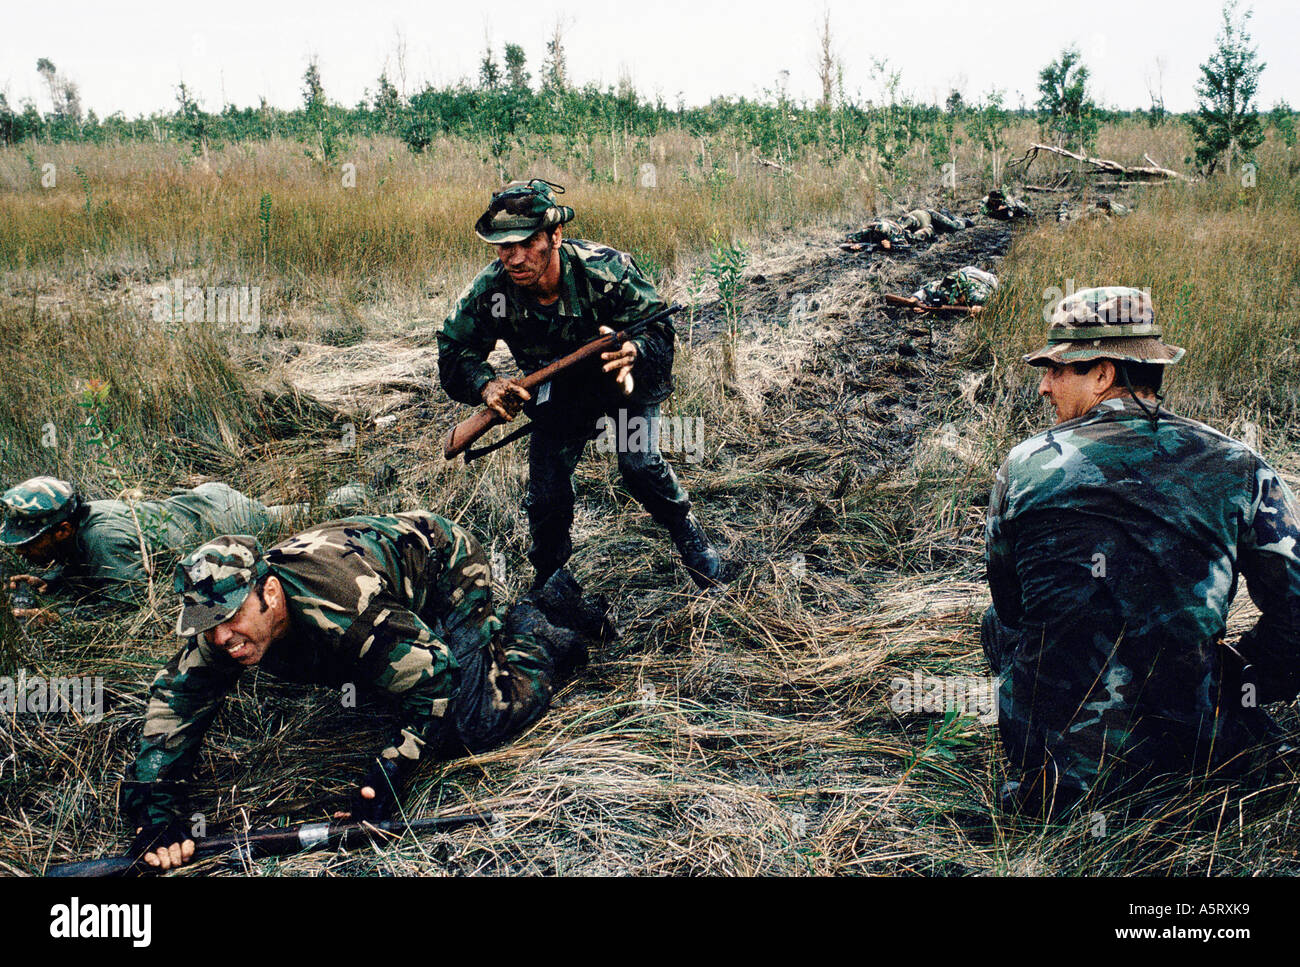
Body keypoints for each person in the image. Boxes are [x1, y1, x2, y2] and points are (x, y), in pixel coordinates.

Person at [120, 513, 610, 870]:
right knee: (387, 674)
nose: (221, 639)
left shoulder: (342, 611)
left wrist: (393, 769)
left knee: (473, 721)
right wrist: (156, 812)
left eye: (229, 620)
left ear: (269, 595)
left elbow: (436, 678)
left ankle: (537, 624)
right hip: (382, 588)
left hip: (444, 566)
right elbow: (177, 702)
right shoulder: (224, 629)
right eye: (208, 627)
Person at [983, 286, 1300, 817]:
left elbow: (1012, 605)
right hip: (1197, 752)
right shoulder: (1241, 466)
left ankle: (1046, 750)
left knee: (997, 622)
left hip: (1056, 769)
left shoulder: (1024, 466)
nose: (1043, 386)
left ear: (1103, 373)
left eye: (1057, 369)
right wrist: (1245, 677)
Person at [437, 179, 725, 589]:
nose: (514, 258)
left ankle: (686, 531)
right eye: (503, 247)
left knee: (639, 465)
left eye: (527, 242)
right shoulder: (491, 291)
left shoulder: (606, 269)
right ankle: (551, 578)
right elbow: (452, 350)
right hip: (558, 394)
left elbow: (660, 329)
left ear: (555, 236)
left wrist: (637, 352)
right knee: (547, 491)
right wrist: (486, 386)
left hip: (622, 379)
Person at [1, 477, 280, 606]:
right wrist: (53, 581)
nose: (20, 550)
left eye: (28, 541)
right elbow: (84, 562)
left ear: (62, 530)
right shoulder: (80, 521)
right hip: (200, 502)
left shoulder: (102, 539)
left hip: (228, 517)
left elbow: (125, 605)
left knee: (301, 516)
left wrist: (58, 615)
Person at [909, 266, 999, 307]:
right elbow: (924, 291)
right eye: (949, 297)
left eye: (958, 297)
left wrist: (981, 309)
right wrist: (915, 300)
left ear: (964, 293)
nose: (954, 302)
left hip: (985, 279)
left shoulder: (978, 295)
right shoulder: (941, 287)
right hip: (964, 273)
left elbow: (995, 305)